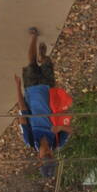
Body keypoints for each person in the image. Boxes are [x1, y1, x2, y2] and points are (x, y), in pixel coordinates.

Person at [14, 26, 71, 180]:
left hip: (32, 92)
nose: (48, 152)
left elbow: (23, 112)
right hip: (48, 91)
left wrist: (18, 88)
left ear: (39, 159)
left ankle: (34, 36)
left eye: (45, 156)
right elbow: (71, 129)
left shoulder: (30, 140)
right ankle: (43, 56)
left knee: (31, 63)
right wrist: (60, 127)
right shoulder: (59, 141)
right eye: (51, 155)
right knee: (46, 63)